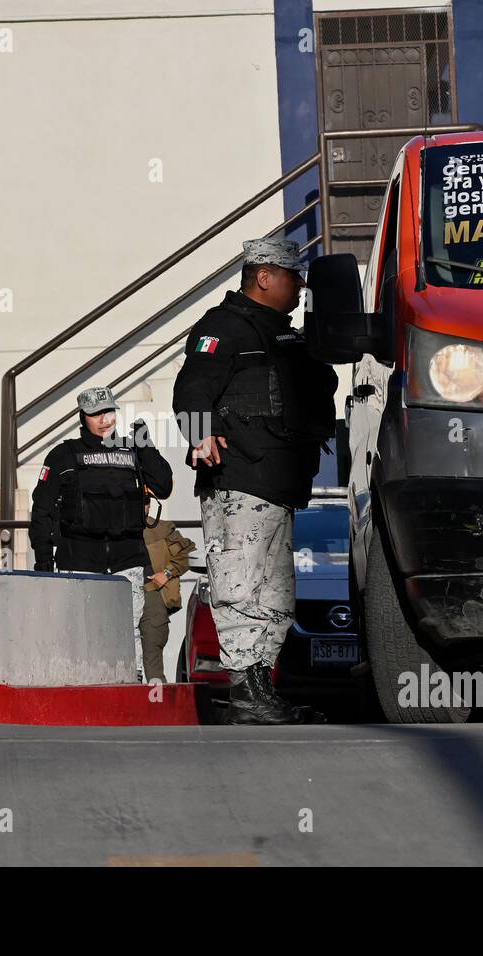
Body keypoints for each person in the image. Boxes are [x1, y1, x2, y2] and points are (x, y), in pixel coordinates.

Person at [172, 237, 338, 724]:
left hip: (277, 484)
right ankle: (246, 692)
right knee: (240, 585)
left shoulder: (284, 334)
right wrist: (201, 436)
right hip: (239, 479)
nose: (301, 284)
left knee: (276, 595)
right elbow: (193, 386)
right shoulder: (224, 327)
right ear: (264, 277)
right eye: (293, 275)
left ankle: (260, 688)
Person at [30, 386, 173, 681]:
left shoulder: (133, 449)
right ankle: (82, 688)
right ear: (83, 416)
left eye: (109, 412)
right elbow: (41, 510)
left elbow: (164, 486)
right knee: (80, 631)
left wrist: (146, 446)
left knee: (130, 630)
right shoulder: (63, 455)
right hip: (78, 560)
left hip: (128, 559)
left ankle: (129, 686)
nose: (104, 419)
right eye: (96, 414)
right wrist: (43, 561)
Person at [139, 499, 196, 684]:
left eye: (145, 502)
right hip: (119, 597)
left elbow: (189, 552)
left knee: (153, 658)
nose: (143, 507)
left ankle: (157, 704)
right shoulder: (110, 529)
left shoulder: (161, 529)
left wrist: (167, 573)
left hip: (152, 596)